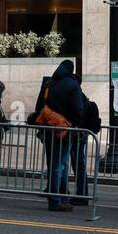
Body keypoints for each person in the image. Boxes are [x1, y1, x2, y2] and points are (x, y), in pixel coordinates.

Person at [38, 59, 88, 212]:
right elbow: (78, 108)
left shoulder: (50, 84)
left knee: (56, 165)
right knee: (60, 166)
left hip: (49, 129)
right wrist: (76, 124)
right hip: (66, 130)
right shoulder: (72, 85)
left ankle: (61, 198)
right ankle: (56, 200)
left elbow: (40, 106)